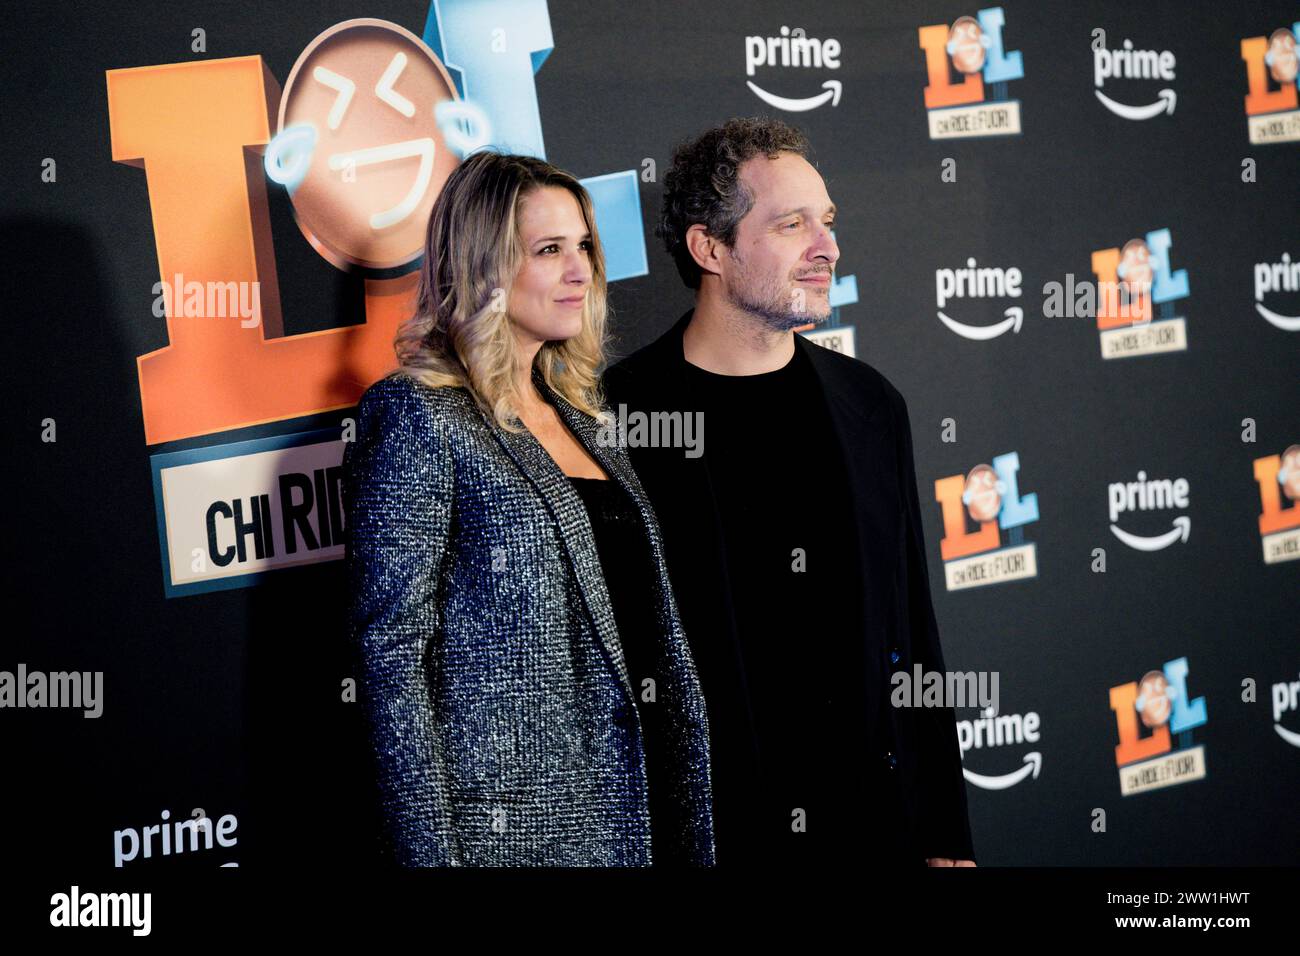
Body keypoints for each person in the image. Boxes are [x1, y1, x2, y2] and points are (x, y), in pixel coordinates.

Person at [603, 117, 977, 868]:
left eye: (828, 221)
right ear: (710, 247)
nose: (827, 248)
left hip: (874, 832)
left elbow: (913, 628)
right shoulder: (619, 414)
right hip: (711, 836)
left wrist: (944, 832)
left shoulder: (872, 405)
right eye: (791, 224)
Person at [342, 149, 714, 866]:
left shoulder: (587, 418)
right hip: (519, 840)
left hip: (645, 810)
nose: (581, 271)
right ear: (482, 264)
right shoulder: (418, 416)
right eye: (550, 250)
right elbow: (391, 662)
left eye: (584, 247)